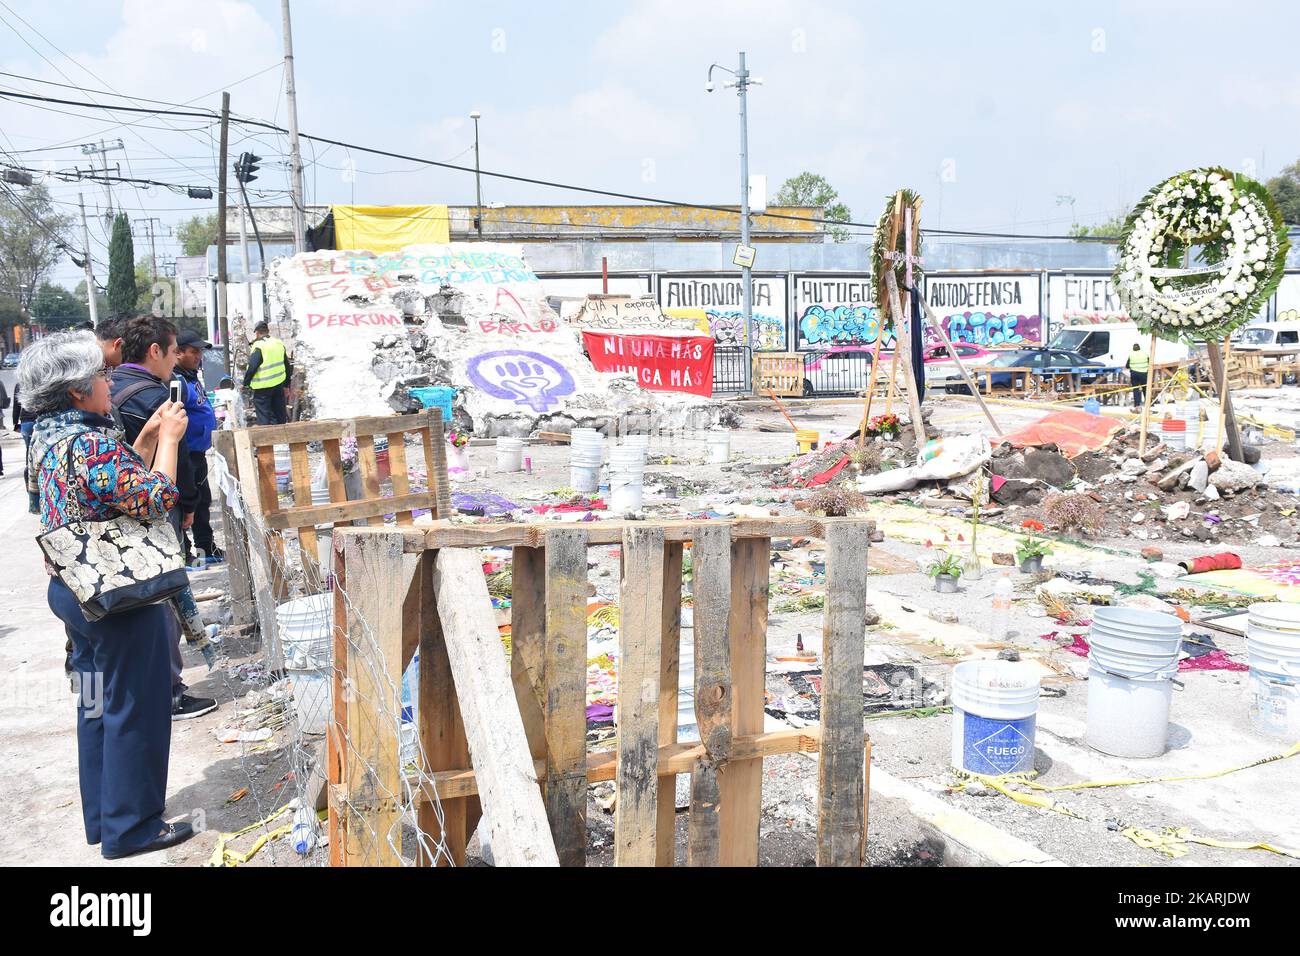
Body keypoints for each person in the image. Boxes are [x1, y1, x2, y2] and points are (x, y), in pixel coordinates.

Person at [20, 330, 197, 859]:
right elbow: (153, 497)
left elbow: (109, 483)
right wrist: (169, 441)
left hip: (74, 591)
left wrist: (146, 438)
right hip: (118, 597)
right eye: (100, 375)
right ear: (76, 391)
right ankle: (133, 828)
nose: (108, 380)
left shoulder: (49, 436)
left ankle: (105, 818)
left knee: (97, 707)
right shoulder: (89, 442)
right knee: (135, 708)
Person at [110, 315, 216, 721]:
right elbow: (175, 463)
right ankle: (169, 690)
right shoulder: (153, 397)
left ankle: (153, 685)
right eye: (173, 352)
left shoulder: (117, 386)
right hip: (154, 505)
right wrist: (189, 502)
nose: (176, 360)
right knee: (163, 595)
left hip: (125, 513)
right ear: (154, 351)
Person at [174, 329, 222, 563]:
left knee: (203, 501)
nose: (198, 356)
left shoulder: (191, 376)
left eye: (199, 352)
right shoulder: (176, 380)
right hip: (185, 454)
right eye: (194, 352)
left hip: (198, 452)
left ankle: (207, 547)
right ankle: (187, 553)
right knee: (186, 503)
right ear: (178, 353)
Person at [242, 321, 293, 425]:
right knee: (279, 414)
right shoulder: (278, 343)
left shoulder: (259, 346)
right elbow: (287, 365)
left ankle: (267, 440)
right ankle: (282, 438)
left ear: (257, 333)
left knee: (264, 416)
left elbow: (252, 367)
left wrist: (245, 383)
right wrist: (287, 385)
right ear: (268, 331)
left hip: (262, 388)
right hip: (278, 385)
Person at [1126, 341, 1150, 409]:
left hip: (1134, 374)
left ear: (1133, 348)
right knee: (1145, 388)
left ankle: (1137, 404)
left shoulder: (1131, 355)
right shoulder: (1144, 354)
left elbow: (1127, 365)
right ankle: (1148, 403)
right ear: (1139, 348)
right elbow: (1149, 362)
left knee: (1136, 389)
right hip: (1144, 373)